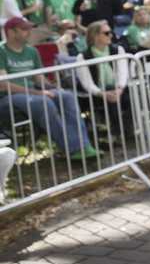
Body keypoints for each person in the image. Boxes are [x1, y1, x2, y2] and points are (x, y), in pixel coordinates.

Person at [0, 17, 98, 160]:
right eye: (24, 29)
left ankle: (84, 145)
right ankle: (72, 149)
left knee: (67, 96)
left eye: (29, 28)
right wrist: (38, 92)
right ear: (10, 32)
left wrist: (54, 88)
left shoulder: (32, 51)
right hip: (7, 97)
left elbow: (39, 78)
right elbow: (3, 84)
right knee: (43, 102)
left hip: (32, 93)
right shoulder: (1, 51)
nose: (29, 32)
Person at [75, 19, 134, 136]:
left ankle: (128, 131)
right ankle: (117, 134)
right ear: (95, 36)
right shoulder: (82, 57)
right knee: (110, 99)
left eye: (110, 32)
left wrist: (119, 89)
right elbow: (87, 83)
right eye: (106, 33)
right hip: (96, 93)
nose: (110, 35)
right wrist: (103, 94)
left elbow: (123, 72)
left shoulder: (118, 50)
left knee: (133, 95)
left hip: (119, 88)